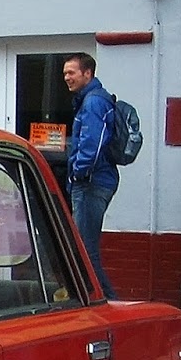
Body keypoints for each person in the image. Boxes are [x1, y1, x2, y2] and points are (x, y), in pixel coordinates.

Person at [62, 52, 120, 299]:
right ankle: (99, 300)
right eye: (64, 73)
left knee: (85, 251)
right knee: (85, 249)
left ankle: (107, 302)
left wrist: (78, 174)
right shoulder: (90, 100)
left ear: (88, 73)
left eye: (71, 72)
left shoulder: (94, 102)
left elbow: (91, 144)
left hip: (92, 183)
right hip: (95, 182)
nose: (66, 77)